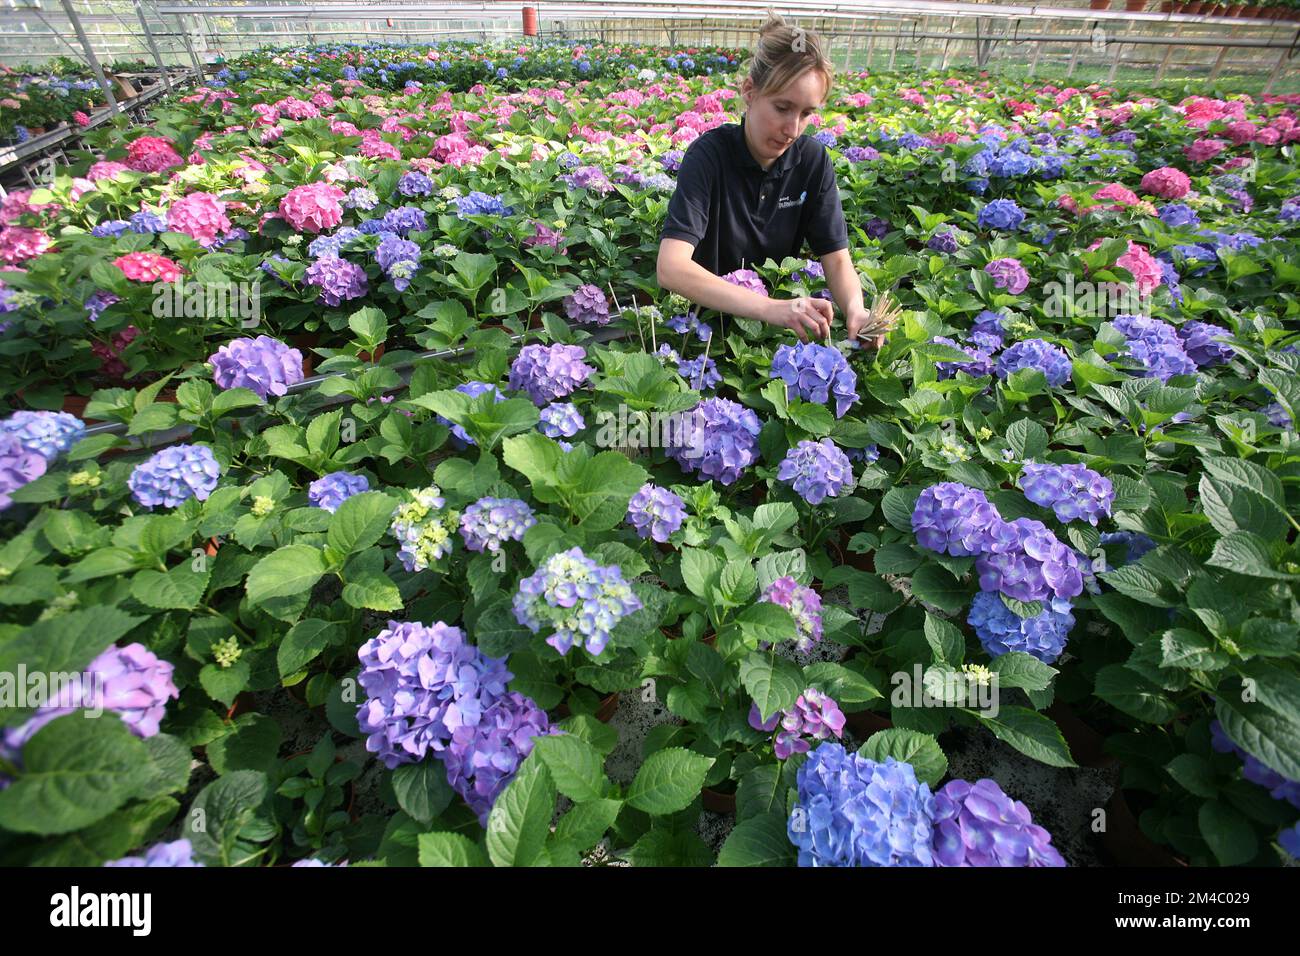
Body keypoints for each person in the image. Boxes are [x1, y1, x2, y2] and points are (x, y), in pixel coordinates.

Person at [656, 15, 889, 347]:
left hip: (770, 338)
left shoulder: (812, 162)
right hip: (701, 334)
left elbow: (836, 258)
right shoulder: (708, 156)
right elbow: (671, 268)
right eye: (782, 108)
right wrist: (771, 308)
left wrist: (857, 310)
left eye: (807, 113)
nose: (793, 129)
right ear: (750, 91)